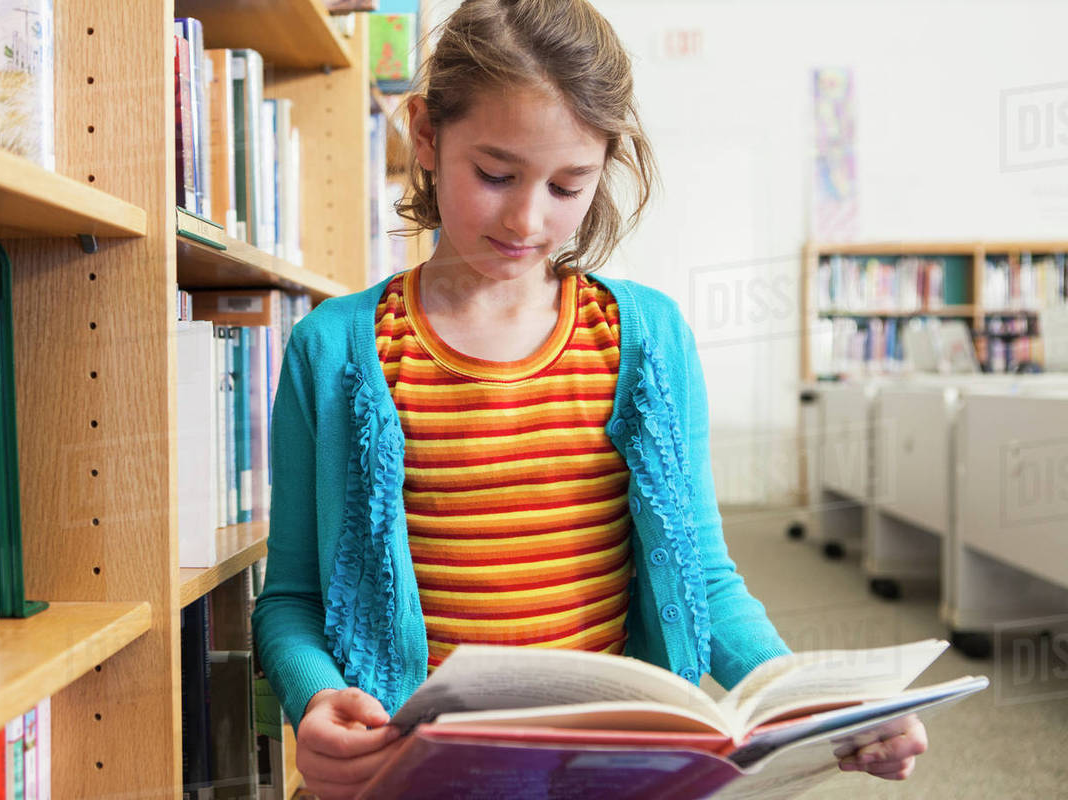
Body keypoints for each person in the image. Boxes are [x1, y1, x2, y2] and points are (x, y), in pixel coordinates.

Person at [252, 1, 928, 797]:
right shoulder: (333, 348)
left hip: (599, 771)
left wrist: (814, 702)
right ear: (427, 135)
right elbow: (290, 599)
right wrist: (316, 696)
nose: (527, 218)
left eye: (569, 185)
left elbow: (700, 580)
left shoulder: (645, 339)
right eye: (495, 174)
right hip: (409, 777)